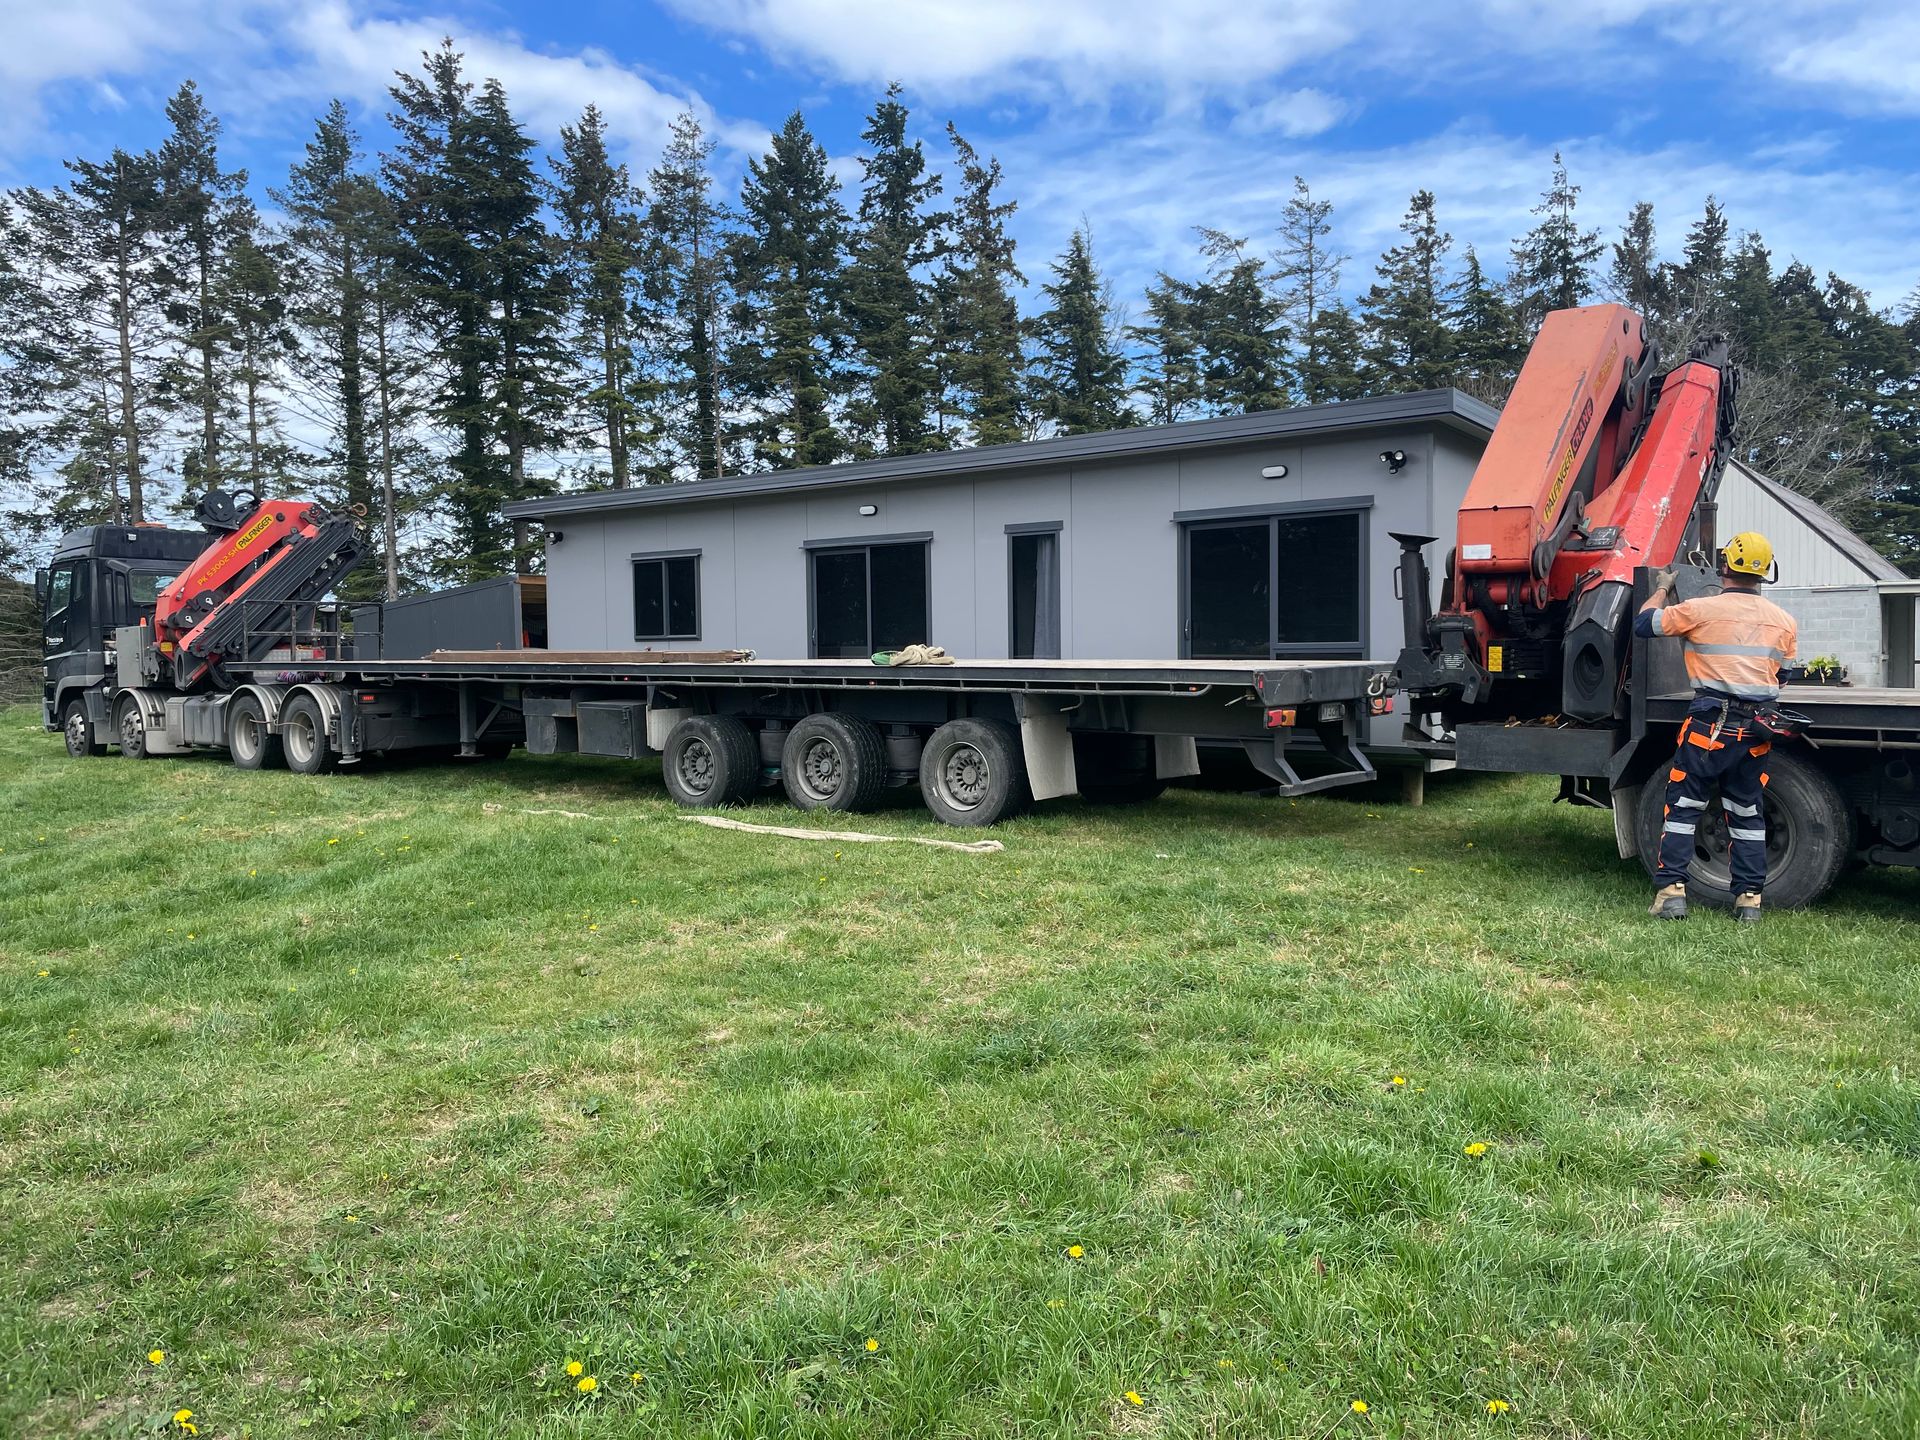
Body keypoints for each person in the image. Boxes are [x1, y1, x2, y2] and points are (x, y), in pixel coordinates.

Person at [1632, 532, 1797, 923]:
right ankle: (1749, 903)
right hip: (1755, 731)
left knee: (1684, 807)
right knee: (1747, 813)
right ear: (1765, 573)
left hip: (1709, 728)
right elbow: (1782, 677)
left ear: (1724, 565)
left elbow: (1644, 624)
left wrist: (1662, 588)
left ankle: (1672, 894)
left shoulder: (1699, 610)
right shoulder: (1784, 621)